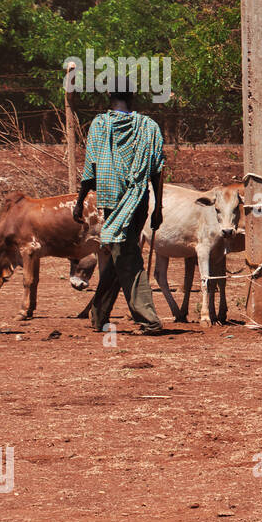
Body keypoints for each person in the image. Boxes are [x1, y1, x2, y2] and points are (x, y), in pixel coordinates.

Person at [73, 83, 166, 335]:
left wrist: (80, 201)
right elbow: (157, 171)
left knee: (128, 259)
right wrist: (157, 207)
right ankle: (99, 315)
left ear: (109, 96)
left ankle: (149, 321)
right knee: (119, 255)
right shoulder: (149, 127)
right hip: (139, 202)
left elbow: (90, 170)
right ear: (133, 97)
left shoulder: (100, 126)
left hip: (113, 202)